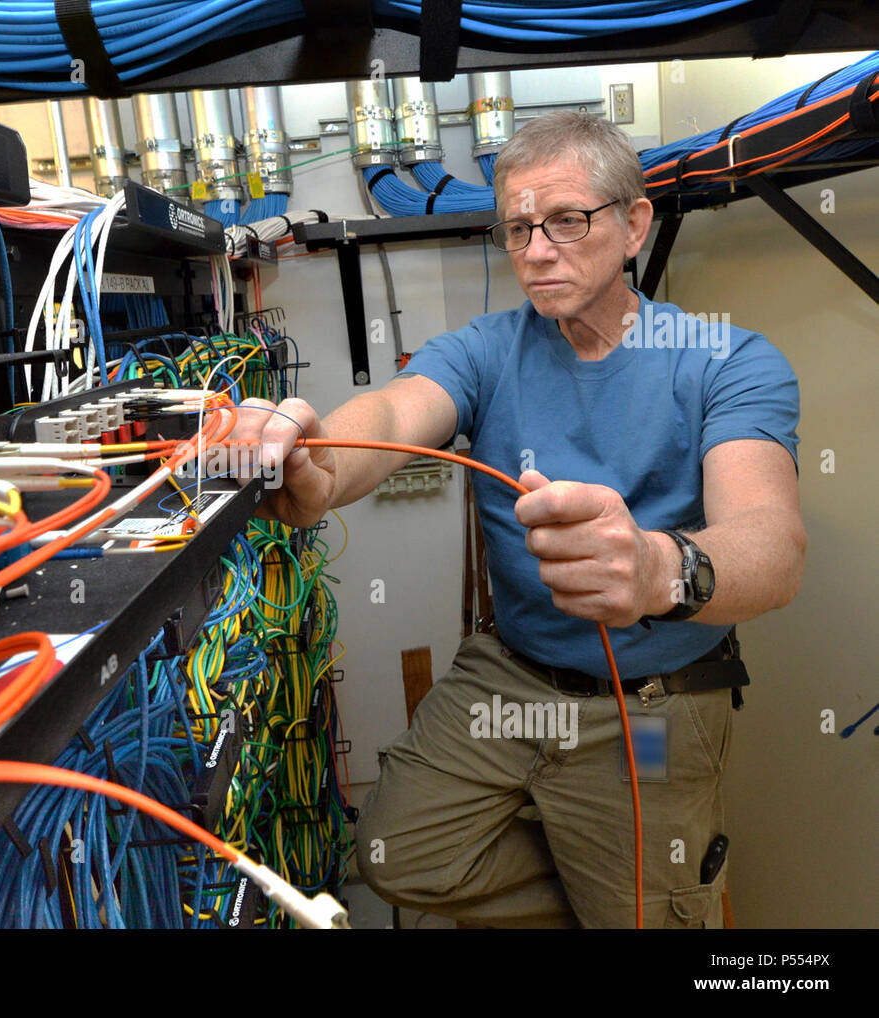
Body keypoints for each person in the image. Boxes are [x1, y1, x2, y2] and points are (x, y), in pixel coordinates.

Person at [223, 110, 805, 928]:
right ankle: (598, 888)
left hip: (650, 707)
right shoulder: (486, 349)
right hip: (513, 675)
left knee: (645, 913)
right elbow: (391, 417)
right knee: (395, 856)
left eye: (567, 220)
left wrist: (652, 570)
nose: (536, 251)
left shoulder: (729, 361)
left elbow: (771, 547)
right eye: (518, 227)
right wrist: (319, 458)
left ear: (634, 224)